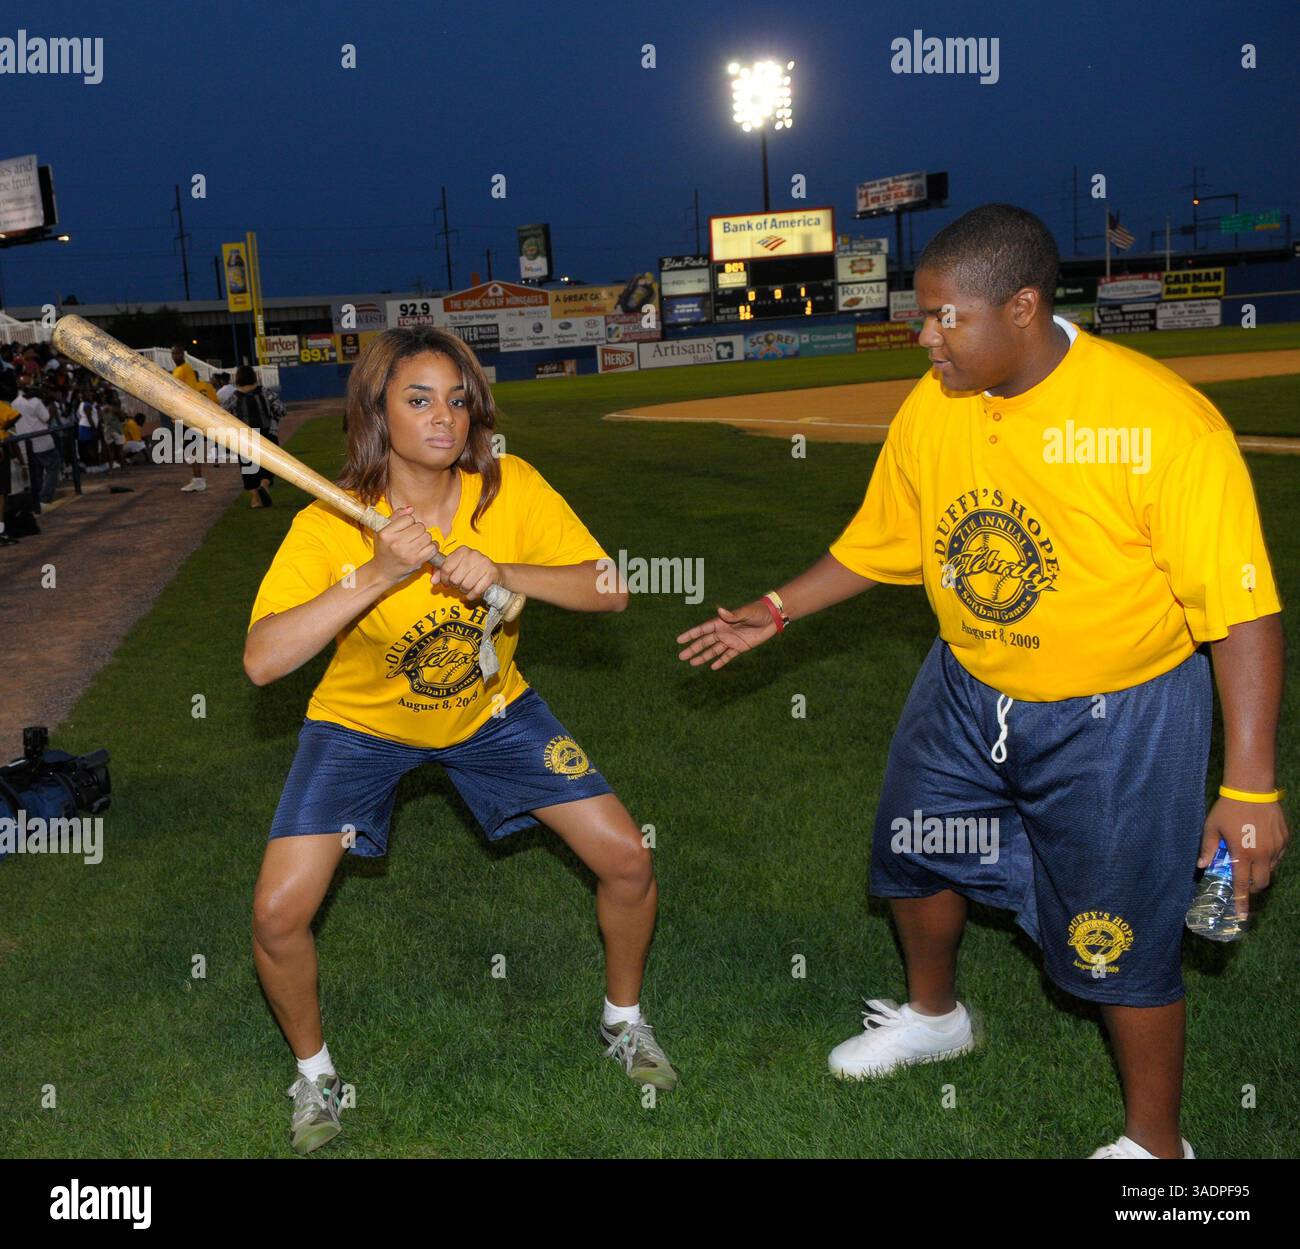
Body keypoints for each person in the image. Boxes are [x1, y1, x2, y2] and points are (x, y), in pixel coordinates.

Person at [677, 203, 1287, 1160]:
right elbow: (886, 543)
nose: (925, 337)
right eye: (923, 317)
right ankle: (935, 1016)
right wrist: (775, 609)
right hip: (968, 684)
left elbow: (1242, 610)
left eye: (944, 317)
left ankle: (1156, 1149)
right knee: (914, 848)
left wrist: (1249, 785)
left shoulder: (1159, 421)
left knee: (1114, 929)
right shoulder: (939, 402)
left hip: (1118, 707)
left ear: (1024, 307)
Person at [244, 326, 676, 1155]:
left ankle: (623, 1022)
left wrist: (507, 572)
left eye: (456, 398)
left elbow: (610, 587)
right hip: (360, 726)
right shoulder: (330, 523)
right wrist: (373, 574)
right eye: (418, 399)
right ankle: (316, 1073)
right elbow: (264, 660)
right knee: (277, 911)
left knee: (627, 857)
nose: (444, 417)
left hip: (491, 712)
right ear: (377, 411)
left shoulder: (509, 488)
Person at [224, 364, 284, 508]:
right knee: (269, 466)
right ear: (254, 377)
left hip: (244, 436)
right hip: (267, 434)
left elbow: (223, 413)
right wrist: (273, 421)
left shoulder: (234, 397)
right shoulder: (265, 392)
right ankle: (264, 484)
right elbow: (281, 409)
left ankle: (256, 499)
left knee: (249, 469)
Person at [13, 383, 60, 504]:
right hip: (42, 441)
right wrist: (51, 409)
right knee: (52, 468)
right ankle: (45, 497)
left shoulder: (15, 402)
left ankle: (36, 499)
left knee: (36, 472)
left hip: (25, 443)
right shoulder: (36, 401)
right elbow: (46, 418)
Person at [171, 343, 207, 492]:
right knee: (191, 448)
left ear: (183, 354)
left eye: (177, 353)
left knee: (191, 448)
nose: (175, 356)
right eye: (173, 354)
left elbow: (185, 391)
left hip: (187, 413)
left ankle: (198, 479)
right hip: (186, 412)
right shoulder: (179, 370)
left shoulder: (185, 369)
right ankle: (197, 478)